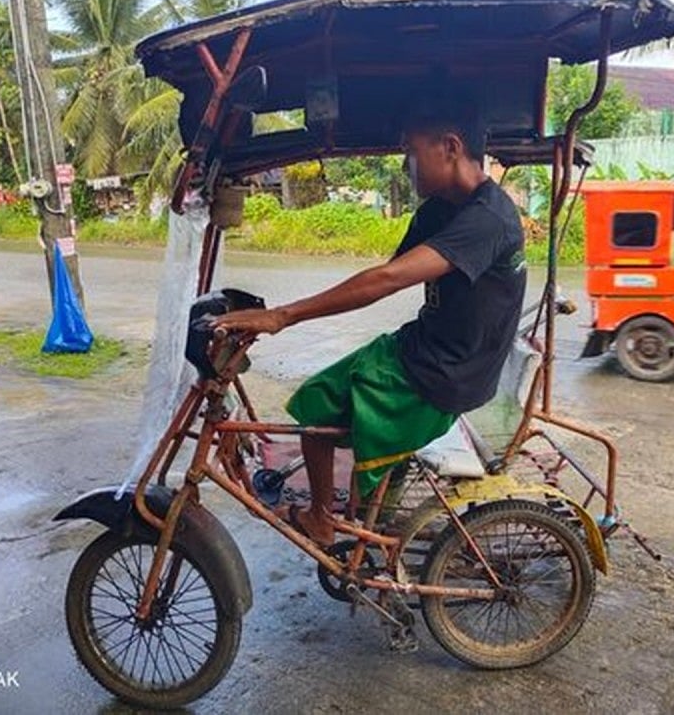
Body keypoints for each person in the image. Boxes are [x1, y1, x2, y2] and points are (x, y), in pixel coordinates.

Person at [214, 91, 526, 546]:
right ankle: (353, 509)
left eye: (411, 153)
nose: (406, 166)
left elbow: (387, 280)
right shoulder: (439, 209)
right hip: (422, 349)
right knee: (318, 399)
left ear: (451, 147)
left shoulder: (489, 220)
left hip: (444, 375)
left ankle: (325, 518)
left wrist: (282, 316)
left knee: (317, 411)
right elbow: (380, 277)